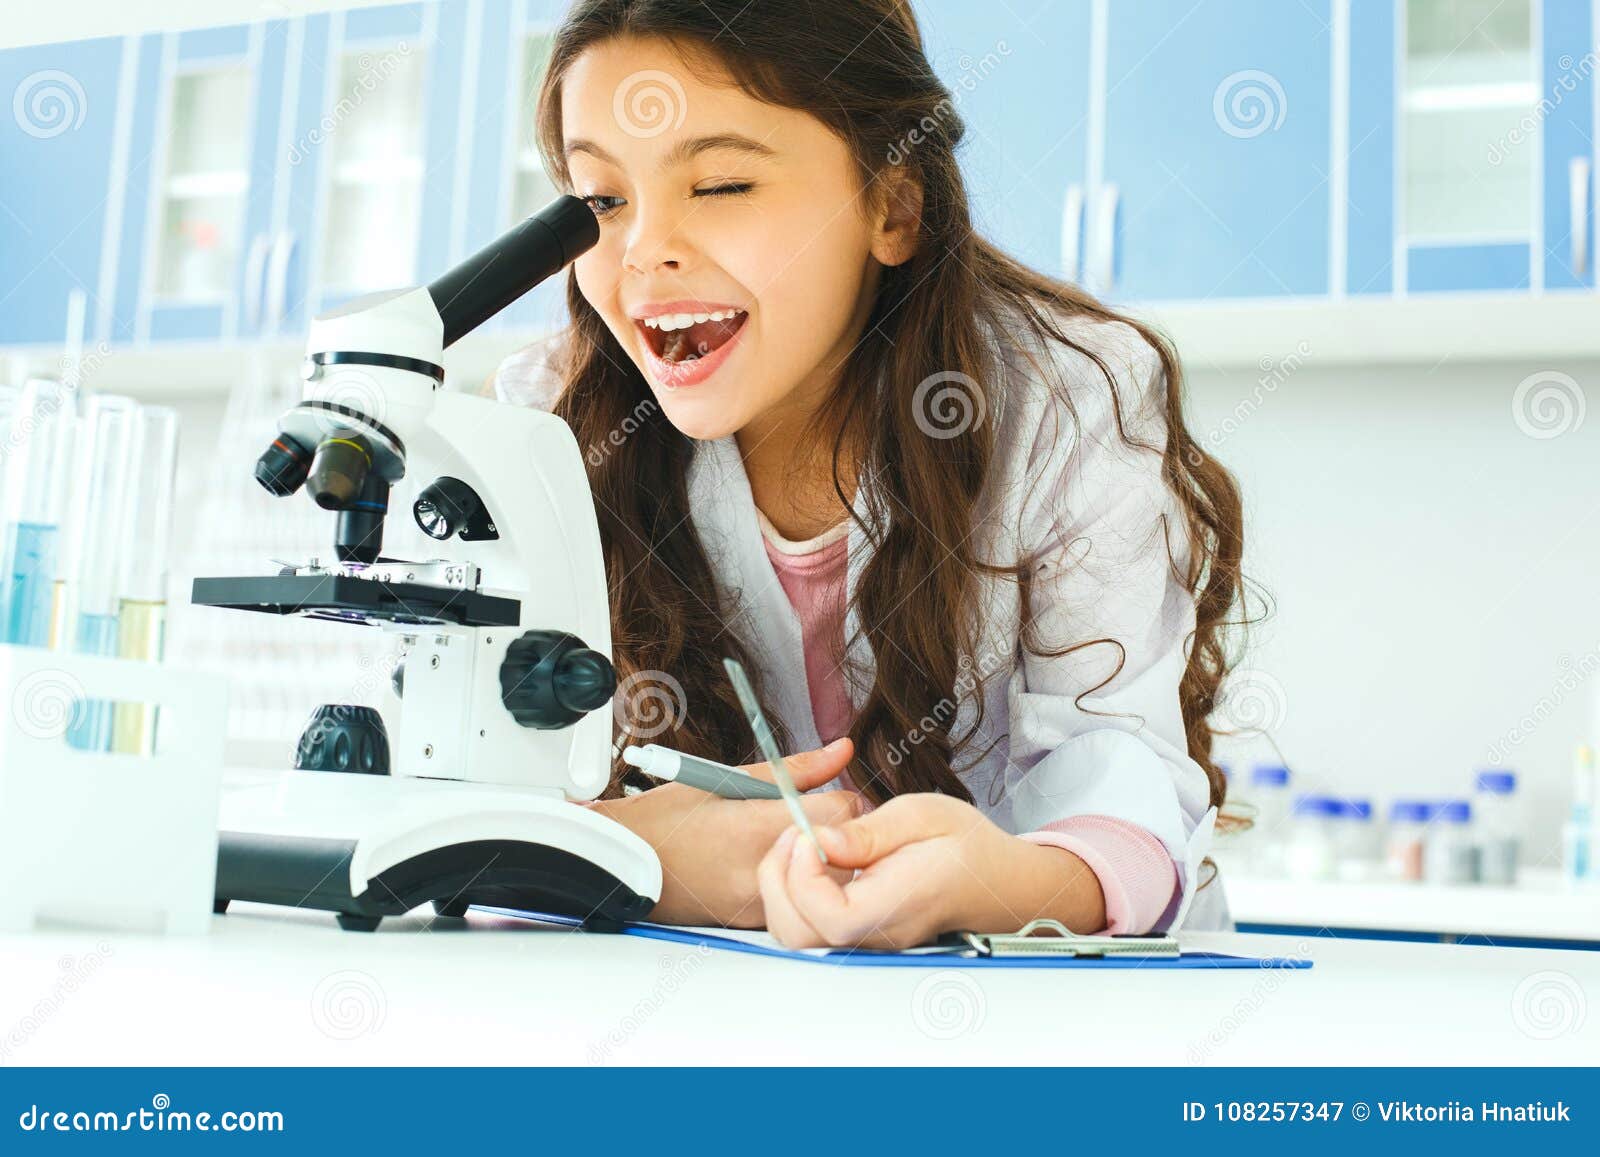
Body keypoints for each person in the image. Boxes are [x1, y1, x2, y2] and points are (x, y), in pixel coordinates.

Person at [489, 0, 1246, 949]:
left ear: (891, 206)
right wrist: (654, 859)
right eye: (603, 201)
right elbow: (477, 807)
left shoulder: (1065, 396)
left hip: (1054, 1004)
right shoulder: (554, 420)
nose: (643, 250)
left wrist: (990, 883)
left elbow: (1123, 775)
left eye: (720, 184)